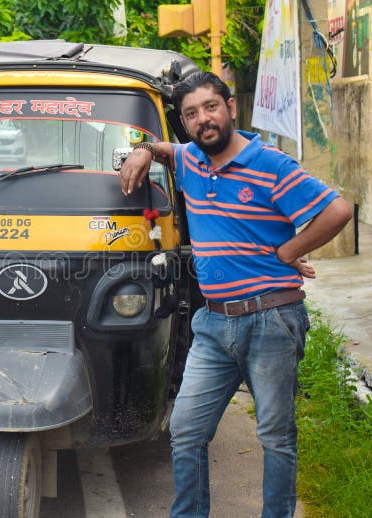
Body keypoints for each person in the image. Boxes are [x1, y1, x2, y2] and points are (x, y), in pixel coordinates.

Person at [120, 71, 352, 518]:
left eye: (210, 107)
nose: (203, 119)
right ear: (184, 123)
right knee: (186, 429)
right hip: (212, 323)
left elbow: (337, 210)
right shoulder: (189, 159)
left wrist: (289, 250)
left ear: (230, 108)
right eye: (191, 114)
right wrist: (144, 150)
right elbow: (167, 150)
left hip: (271, 319)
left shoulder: (271, 164)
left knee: (275, 436)